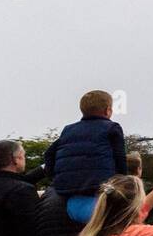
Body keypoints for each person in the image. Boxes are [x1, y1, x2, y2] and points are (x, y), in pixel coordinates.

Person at [42, 89, 128, 224]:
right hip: (99, 188)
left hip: (68, 190)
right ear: (108, 110)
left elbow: (49, 154)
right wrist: (122, 185)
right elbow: (120, 158)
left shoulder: (68, 130)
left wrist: (55, 178)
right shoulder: (112, 128)